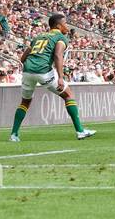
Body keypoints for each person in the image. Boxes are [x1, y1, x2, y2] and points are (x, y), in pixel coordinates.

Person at [10, 13, 95, 141]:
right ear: (58, 25)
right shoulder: (60, 38)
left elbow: (23, 58)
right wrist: (60, 77)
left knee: (25, 102)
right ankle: (80, 131)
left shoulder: (39, 37)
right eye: (65, 23)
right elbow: (57, 55)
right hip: (43, 71)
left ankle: (14, 135)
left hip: (27, 71)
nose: (67, 26)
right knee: (68, 95)